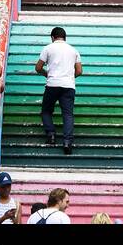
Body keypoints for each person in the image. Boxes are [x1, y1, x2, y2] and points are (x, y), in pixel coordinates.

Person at [36, 26, 83, 154]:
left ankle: (51, 135)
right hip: (68, 86)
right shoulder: (74, 50)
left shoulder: (48, 48)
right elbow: (79, 71)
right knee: (68, 114)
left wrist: (47, 74)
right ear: (65, 37)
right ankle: (67, 142)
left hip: (52, 85)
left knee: (46, 111)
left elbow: (38, 67)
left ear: (52, 37)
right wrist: (68, 78)